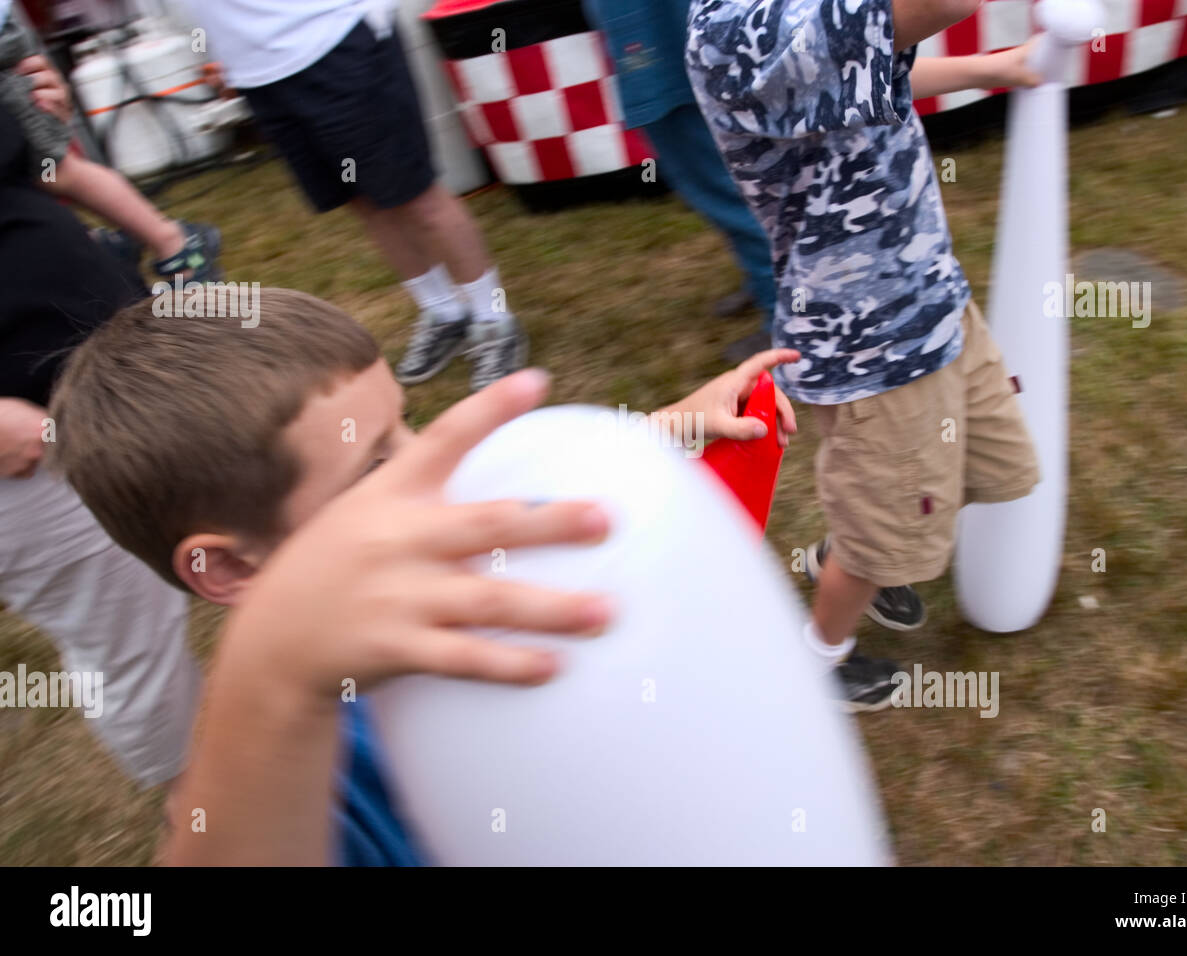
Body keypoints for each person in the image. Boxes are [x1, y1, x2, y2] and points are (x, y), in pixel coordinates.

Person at [49, 286, 797, 864]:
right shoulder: (309, 766)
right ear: (232, 565)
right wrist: (269, 684)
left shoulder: (452, 531)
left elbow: (551, 491)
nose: (426, 468)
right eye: (373, 461)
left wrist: (669, 426)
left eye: (405, 422)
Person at [686, 1, 1042, 710]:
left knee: (996, 465)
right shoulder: (730, 32)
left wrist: (991, 68)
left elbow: (872, 62)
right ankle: (816, 660)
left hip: (935, 299)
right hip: (873, 350)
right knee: (885, 544)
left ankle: (848, 547)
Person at [0, 60, 200, 789]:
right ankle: (206, 816)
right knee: (131, 647)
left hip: (127, 369)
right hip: (31, 447)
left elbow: (46, 174)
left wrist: (49, 122)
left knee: (257, 523)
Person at [181, 0, 525, 391]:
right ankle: (444, 313)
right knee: (364, 200)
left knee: (416, 194)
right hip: (259, 74)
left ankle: (495, 320)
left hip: (334, 39)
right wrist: (221, 51)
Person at [582, 0, 776, 362]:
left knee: (718, 186)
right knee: (730, 176)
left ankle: (782, 309)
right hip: (681, 46)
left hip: (664, 51)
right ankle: (765, 279)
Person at [0, 1, 221, 281]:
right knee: (40, 175)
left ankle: (173, 241)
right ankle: (101, 240)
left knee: (53, 170)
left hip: (6, 63)